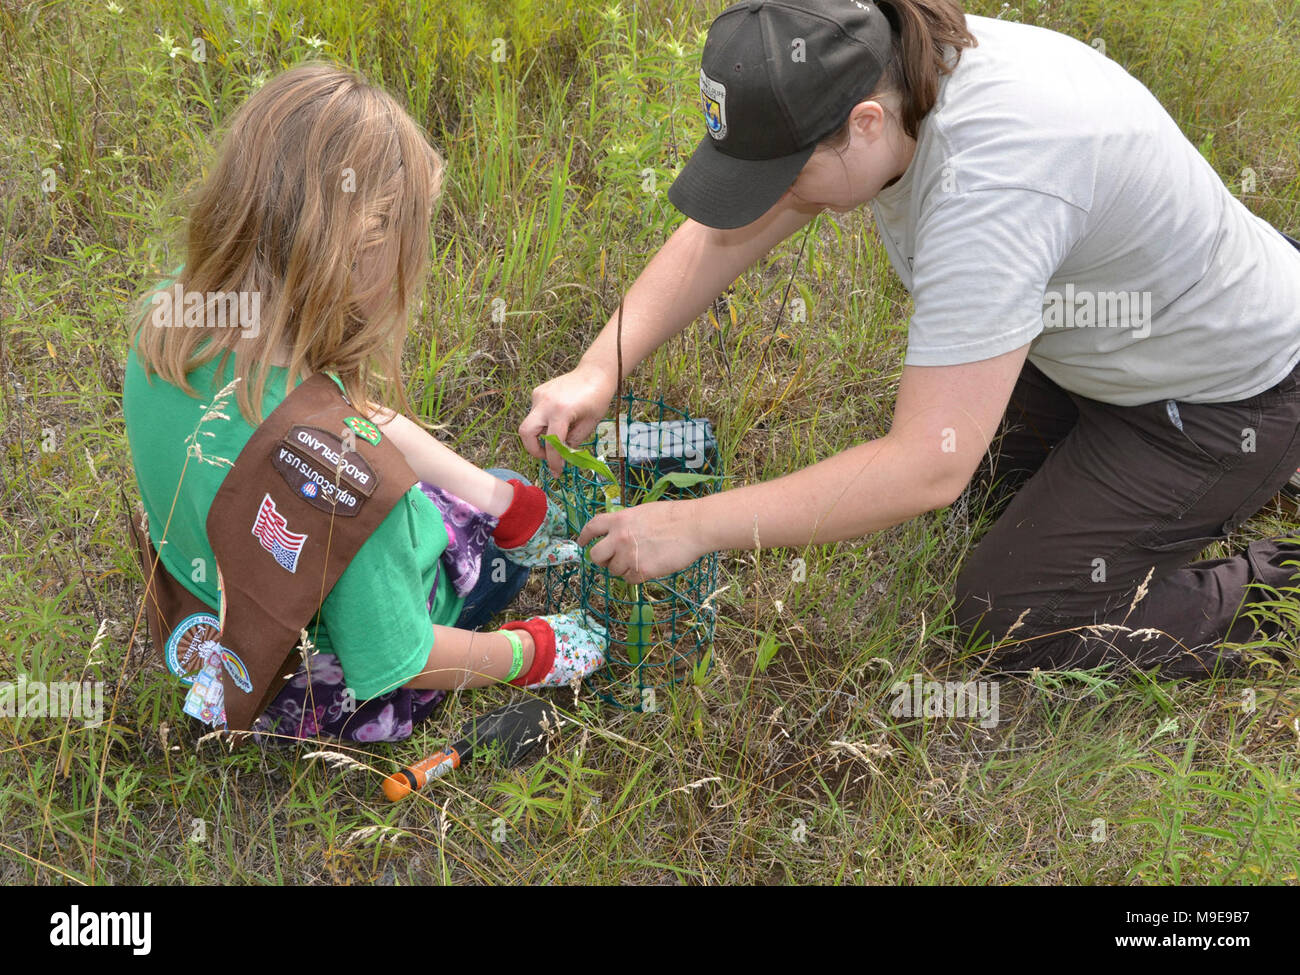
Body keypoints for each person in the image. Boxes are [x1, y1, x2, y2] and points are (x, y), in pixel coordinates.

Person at [519, 0, 1300, 679]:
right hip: (1100, 343)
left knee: (1014, 610)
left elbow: (926, 466)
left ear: (863, 125)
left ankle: (1275, 579)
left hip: (1223, 393)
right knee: (993, 495)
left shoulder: (991, 185)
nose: (772, 202)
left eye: (783, 177)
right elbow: (723, 236)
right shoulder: (890, 64)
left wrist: (692, 525)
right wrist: (601, 365)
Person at [124, 63, 606, 743]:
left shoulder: (171, 310)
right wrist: (533, 652)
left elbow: (325, 414)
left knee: (502, 495)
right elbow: (404, 655)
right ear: (362, 248)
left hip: (213, 629)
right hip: (328, 683)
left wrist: (500, 504)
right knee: (493, 544)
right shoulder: (351, 494)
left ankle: (502, 504)